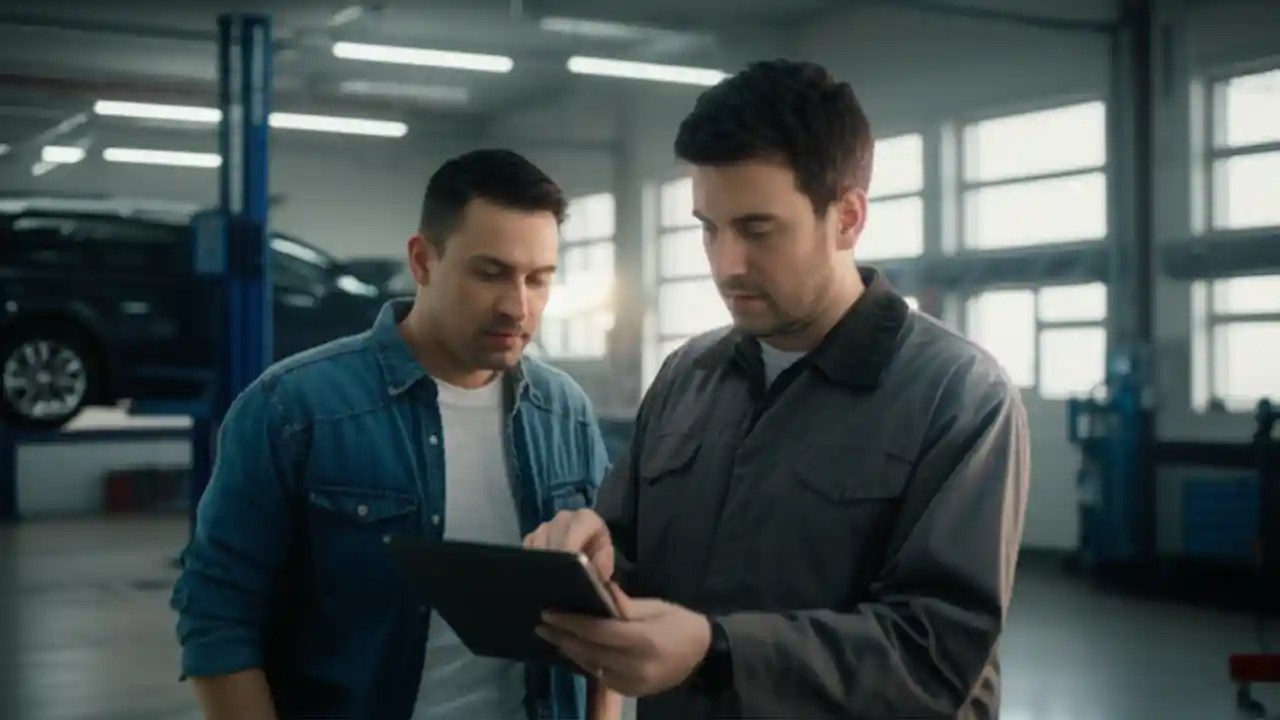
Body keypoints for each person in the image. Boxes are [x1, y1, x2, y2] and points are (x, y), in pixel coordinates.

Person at [524, 60, 1032, 719]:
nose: (726, 263)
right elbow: (633, 560)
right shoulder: (688, 376)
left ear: (847, 217)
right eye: (709, 228)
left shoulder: (958, 395)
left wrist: (718, 650)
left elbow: (935, 655)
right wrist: (593, 561)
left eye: (758, 230)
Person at [171, 149, 615, 720]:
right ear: (423, 260)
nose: (517, 306)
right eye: (490, 273)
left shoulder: (565, 412)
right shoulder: (293, 408)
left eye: (539, 279)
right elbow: (216, 616)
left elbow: (606, 605)